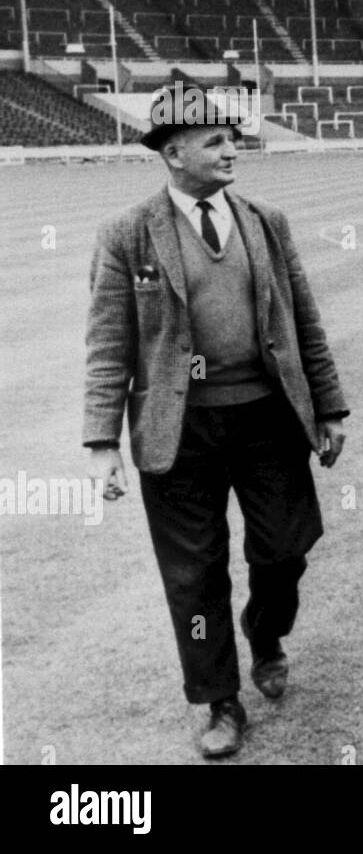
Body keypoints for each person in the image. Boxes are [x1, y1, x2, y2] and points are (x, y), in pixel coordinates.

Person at [83, 87, 349, 759]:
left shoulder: (266, 222)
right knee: (193, 574)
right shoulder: (127, 233)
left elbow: (304, 320)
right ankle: (220, 699)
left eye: (232, 137)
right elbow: (109, 342)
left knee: (285, 548)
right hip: (179, 429)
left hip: (267, 417)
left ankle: (265, 629)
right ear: (174, 154)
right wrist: (101, 443)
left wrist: (330, 407)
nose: (232, 149)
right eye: (215, 141)